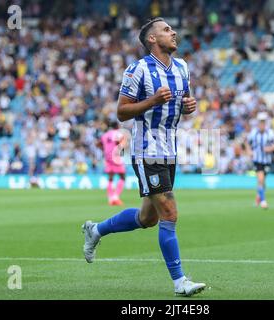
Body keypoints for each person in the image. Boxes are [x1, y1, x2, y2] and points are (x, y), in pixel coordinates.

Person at [81, 17, 206, 297]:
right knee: (170, 212)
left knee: (148, 218)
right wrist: (151, 101)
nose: (173, 32)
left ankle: (96, 230)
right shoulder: (137, 70)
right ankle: (179, 282)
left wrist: (189, 105)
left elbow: (184, 100)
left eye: (172, 29)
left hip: (170, 150)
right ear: (152, 39)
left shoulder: (183, 67)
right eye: (166, 30)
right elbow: (121, 112)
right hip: (146, 150)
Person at [245, 112, 274, 209]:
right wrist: (249, 151)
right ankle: (263, 201)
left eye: (263, 122)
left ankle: (258, 197)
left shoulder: (270, 133)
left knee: (263, 182)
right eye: (260, 122)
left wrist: (271, 148)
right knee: (260, 179)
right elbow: (247, 142)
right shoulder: (254, 132)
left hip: (267, 161)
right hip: (257, 160)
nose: (262, 124)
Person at [98, 120, 127, 206]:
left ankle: (110, 198)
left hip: (107, 157)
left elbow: (98, 144)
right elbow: (120, 145)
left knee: (110, 178)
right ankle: (115, 197)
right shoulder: (118, 134)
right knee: (122, 177)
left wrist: (105, 150)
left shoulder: (105, 135)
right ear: (117, 126)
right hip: (116, 157)